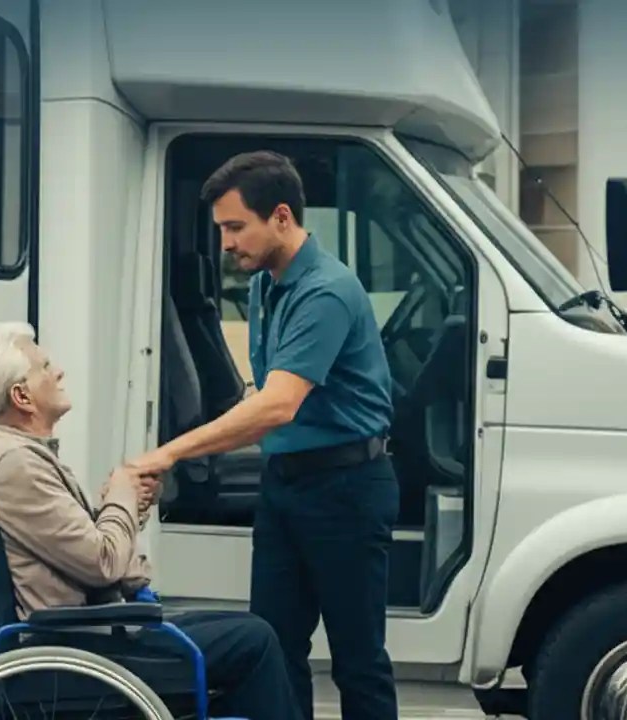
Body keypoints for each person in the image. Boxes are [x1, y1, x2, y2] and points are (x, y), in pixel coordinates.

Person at [126, 150, 399, 720]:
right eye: (222, 229)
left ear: (280, 217)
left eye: (234, 227)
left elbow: (278, 404)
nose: (226, 243)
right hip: (285, 487)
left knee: (358, 660)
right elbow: (269, 392)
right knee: (272, 648)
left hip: (345, 488)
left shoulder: (325, 291)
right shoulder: (265, 286)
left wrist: (168, 453)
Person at [0, 321, 302, 720]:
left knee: (245, 631)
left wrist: (127, 507)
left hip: (74, 637)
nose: (59, 371)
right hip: (72, 648)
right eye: (45, 366)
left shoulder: (10, 457)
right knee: (254, 641)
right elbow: (103, 562)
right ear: (22, 396)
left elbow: (82, 550)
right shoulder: (13, 463)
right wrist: (121, 490)